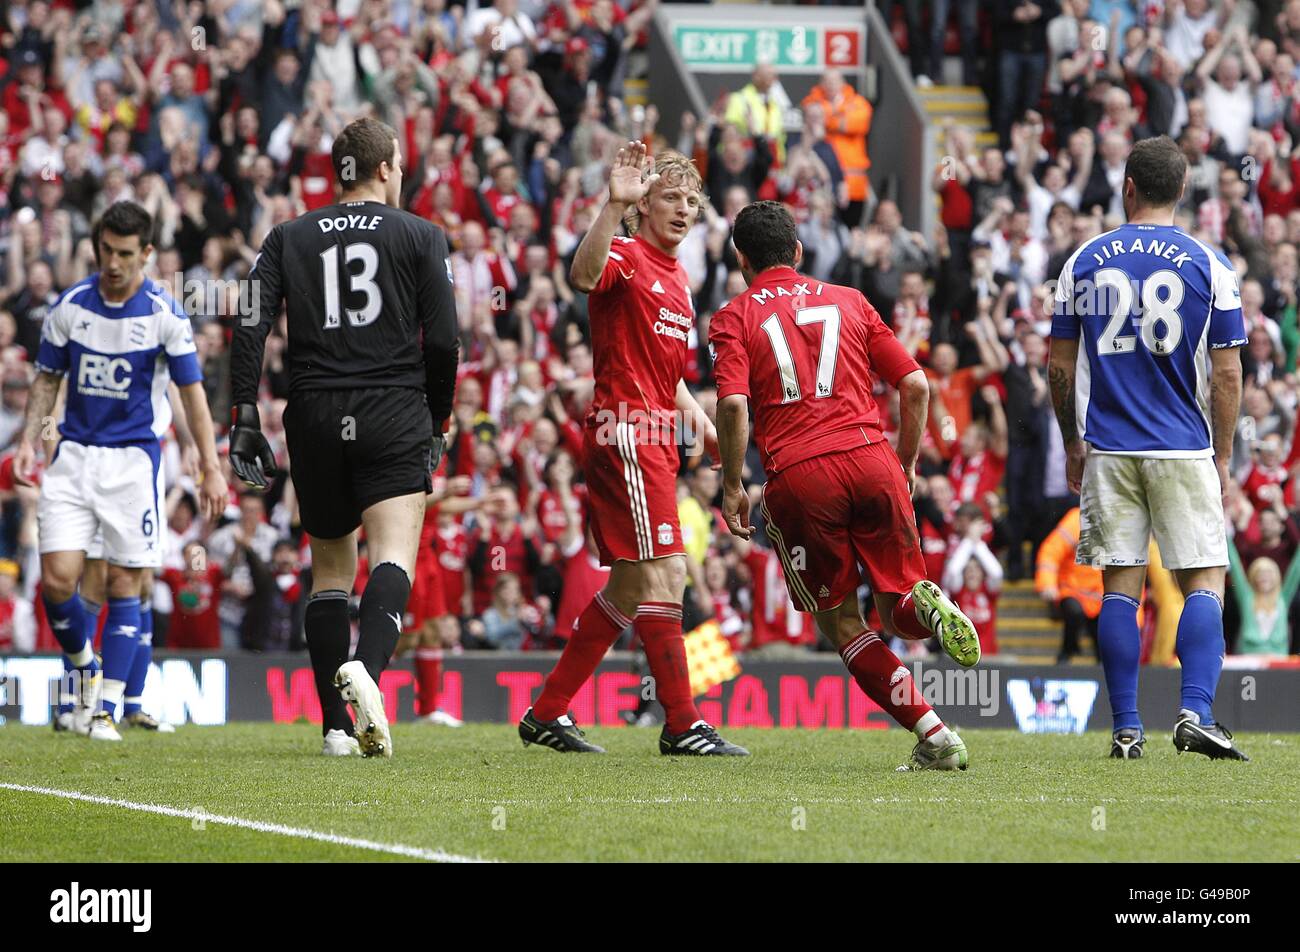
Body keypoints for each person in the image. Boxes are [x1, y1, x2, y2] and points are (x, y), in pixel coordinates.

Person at [710, 200, 981, 771]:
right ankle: (926, 612)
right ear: (800, 252)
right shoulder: (850, 300)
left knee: (842, 621)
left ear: (741, 259)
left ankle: (936, 736)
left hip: (801, 476)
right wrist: (905, 462)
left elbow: (733, 403)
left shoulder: (733, 316)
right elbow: (914, 384)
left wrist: (734, 484)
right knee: (897, 600)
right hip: (871, 457)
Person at [229, 116, 460, 758]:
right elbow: (443, 342)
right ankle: (369, 673)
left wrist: (244, 415)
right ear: (385, 168)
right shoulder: (421, 235)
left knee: (331, 570)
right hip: (392, 407)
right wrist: (437, 421)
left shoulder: (289, 235)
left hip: (314, 413)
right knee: (393, 556)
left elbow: (249, 322)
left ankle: (334, 728)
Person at [521, 143, 748, 756]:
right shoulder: (624, 252)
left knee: (627, 587)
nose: (682, 208)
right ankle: (681, 723)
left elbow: (667, 372)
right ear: (643, 203)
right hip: (625, 431)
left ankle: (547, 712)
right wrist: (609, 205)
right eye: (669, 196)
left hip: (654, 434)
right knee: (666, 572)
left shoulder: (679, 278)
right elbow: (581, 276)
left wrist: (699, 421)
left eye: (691, 200)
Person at [1049, 135, 1249, 760]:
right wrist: (1221, 455)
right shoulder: (1210, 265)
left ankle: (1127, 729)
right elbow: (1227, 374)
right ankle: (1194, 711)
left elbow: (1057, 366)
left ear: (1127, 186)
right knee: (1203, 582)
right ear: (1183, 189)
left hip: (1108, 446)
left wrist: (1071, 442)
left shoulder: (1082, 259)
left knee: (1118, 587)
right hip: (1183, 444)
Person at [14, 200, 226, 740]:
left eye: (126, 254)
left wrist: (210, 467)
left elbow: (192, 395)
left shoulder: (165, 314)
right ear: (96, 247)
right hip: (74, 457)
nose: (114, 263)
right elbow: (45, 380)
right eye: (107, 251)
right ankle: (84, 669)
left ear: (147, 254)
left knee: (126, 579)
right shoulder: (70, 307)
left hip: (133, 462)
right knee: (59, 580)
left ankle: (109, 705)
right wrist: (28, 441)